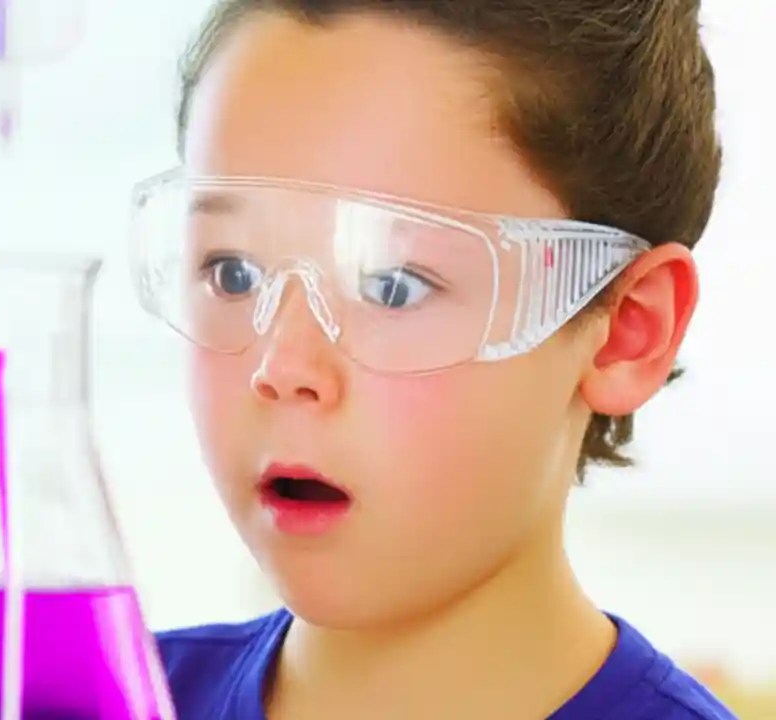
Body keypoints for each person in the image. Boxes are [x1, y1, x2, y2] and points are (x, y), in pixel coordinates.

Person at [129, 1, 736, 718]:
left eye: (392, 286)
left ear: (627, 330)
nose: (282, 366)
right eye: (233, 273)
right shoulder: (97, 699)